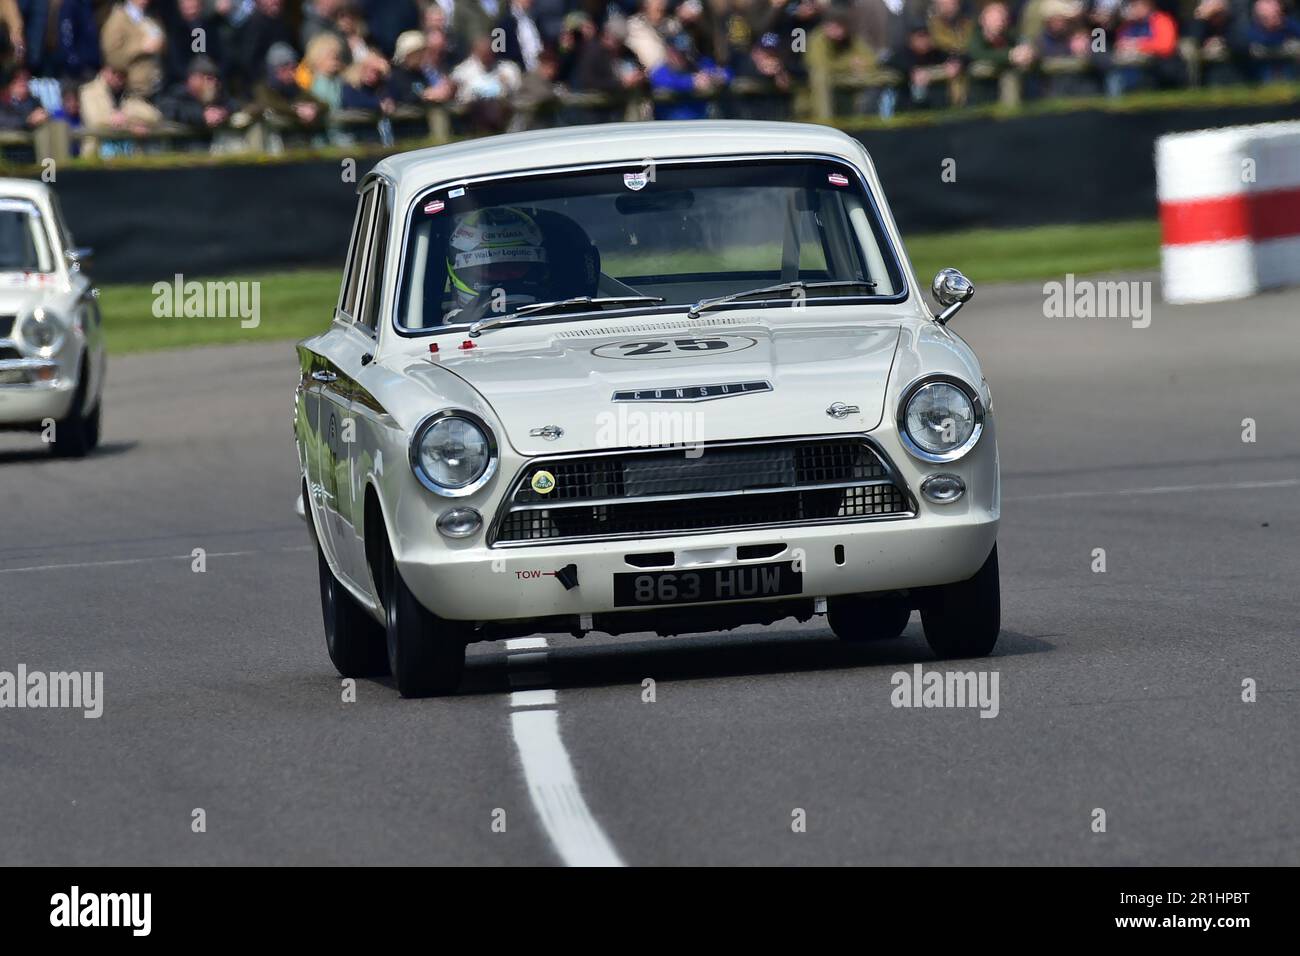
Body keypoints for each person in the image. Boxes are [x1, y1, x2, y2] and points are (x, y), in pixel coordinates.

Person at [79, 64, 162, 155]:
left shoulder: (130, 93)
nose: (118, 78)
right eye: (114, 73)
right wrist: (129, 126)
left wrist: (126, 119)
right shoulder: (88, 91)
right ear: (104, 71)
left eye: (122, 75)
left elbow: (154, 116)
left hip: (128, 156)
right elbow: (95, 121)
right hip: (98, 153)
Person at [647, 31, 730, 120]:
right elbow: (661, 81)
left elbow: (727, 73)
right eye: (678, 53)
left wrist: (713, 77)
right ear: (669, 51)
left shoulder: (698, 64)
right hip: (672, 126)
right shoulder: (660, 71)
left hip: (703, 123)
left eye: (686, 52)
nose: (684, 57)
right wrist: (692, 82)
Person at [451, 34, 522, 131]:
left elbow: (516, 91)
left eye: (489, 53)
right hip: (474, 114)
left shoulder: (508, 69)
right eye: (483, 53)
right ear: (475, 52)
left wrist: (506, 84)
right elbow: (460, 98)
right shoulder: (462, 72)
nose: (487, 57)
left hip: (503, 113)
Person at [100, 0, 166, 97]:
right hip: (135, 91)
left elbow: (163, 43)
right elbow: (112, 58)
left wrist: (161, 45)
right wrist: (141, 47)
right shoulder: (117, 21)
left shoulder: (151, 16)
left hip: (158, 84)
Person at [253, 41, 325, 128]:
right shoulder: (262, 89)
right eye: (284, 69)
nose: (291, 73)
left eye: (293, 68)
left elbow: (323, 105)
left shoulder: (295, 89)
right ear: (273, 70)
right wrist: (297, 110)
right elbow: (271, 105)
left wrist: (313, 109)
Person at [1245, 0, 1300, 81]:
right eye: (1266, 18)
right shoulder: (1251, 32)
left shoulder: (1290, 26)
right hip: (1262, 72)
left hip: (1289, 69)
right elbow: (1260, 42)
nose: (1273, 19)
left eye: (1276, 15)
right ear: (1258, 19)